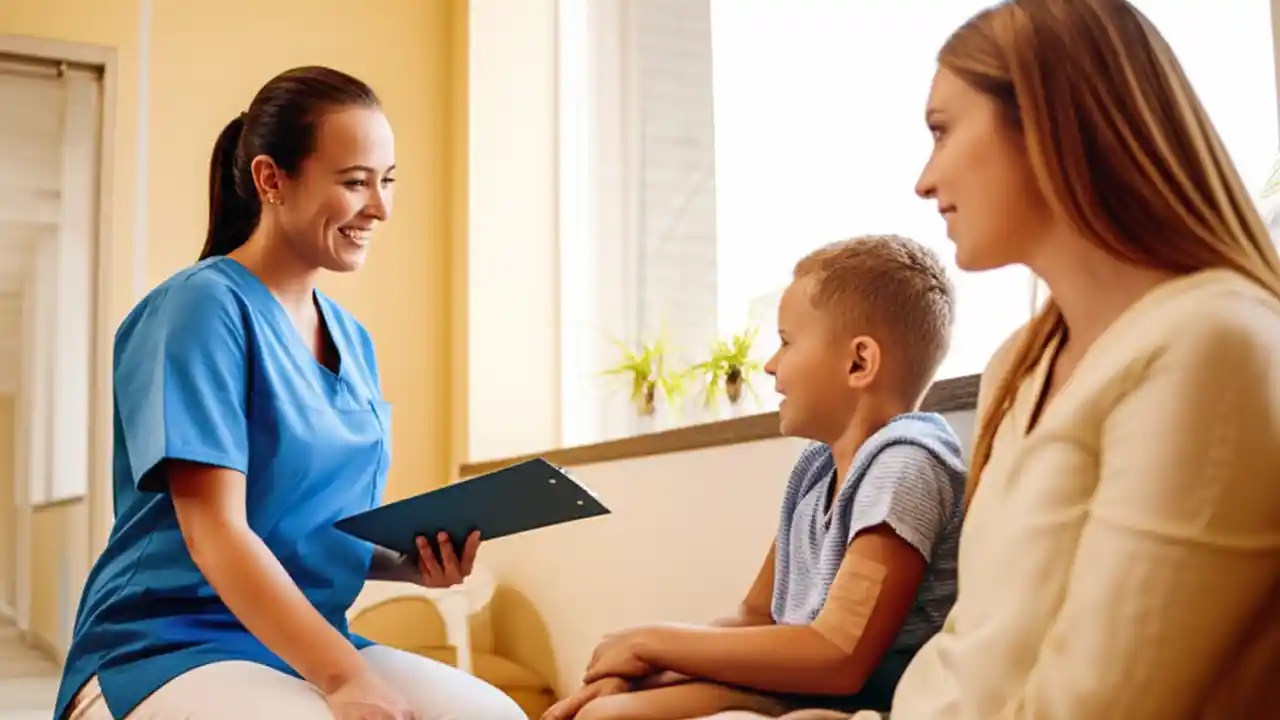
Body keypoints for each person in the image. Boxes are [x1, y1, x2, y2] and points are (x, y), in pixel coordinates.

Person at [704, 0, 1280, 718]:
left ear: (1046, 123)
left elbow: (1108, 701)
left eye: (942, 132)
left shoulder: (1209, 345)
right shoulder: (1021, 364)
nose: (924, 179)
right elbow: (978, 652)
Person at [54, 66, 525, 720]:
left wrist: (409, 563)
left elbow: (303, 527)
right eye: (356, 182)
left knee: (492, 715)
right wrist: (342, 679)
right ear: (272, 179)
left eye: (386, 182)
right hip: (171, 641)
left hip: (304, 635)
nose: (380, 207)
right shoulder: (200, 307)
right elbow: (215, 532)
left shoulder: (353, 341)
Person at [543, 235, 968, 720]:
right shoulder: (813, 474)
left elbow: (840, 657)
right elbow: (755, 618)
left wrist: (651, 642)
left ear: (859, 363)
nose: (769, 364)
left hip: (861, 697)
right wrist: (642, 668)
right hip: (806, 687)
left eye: (786, 342)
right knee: (608, 705)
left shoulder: (907, 464)